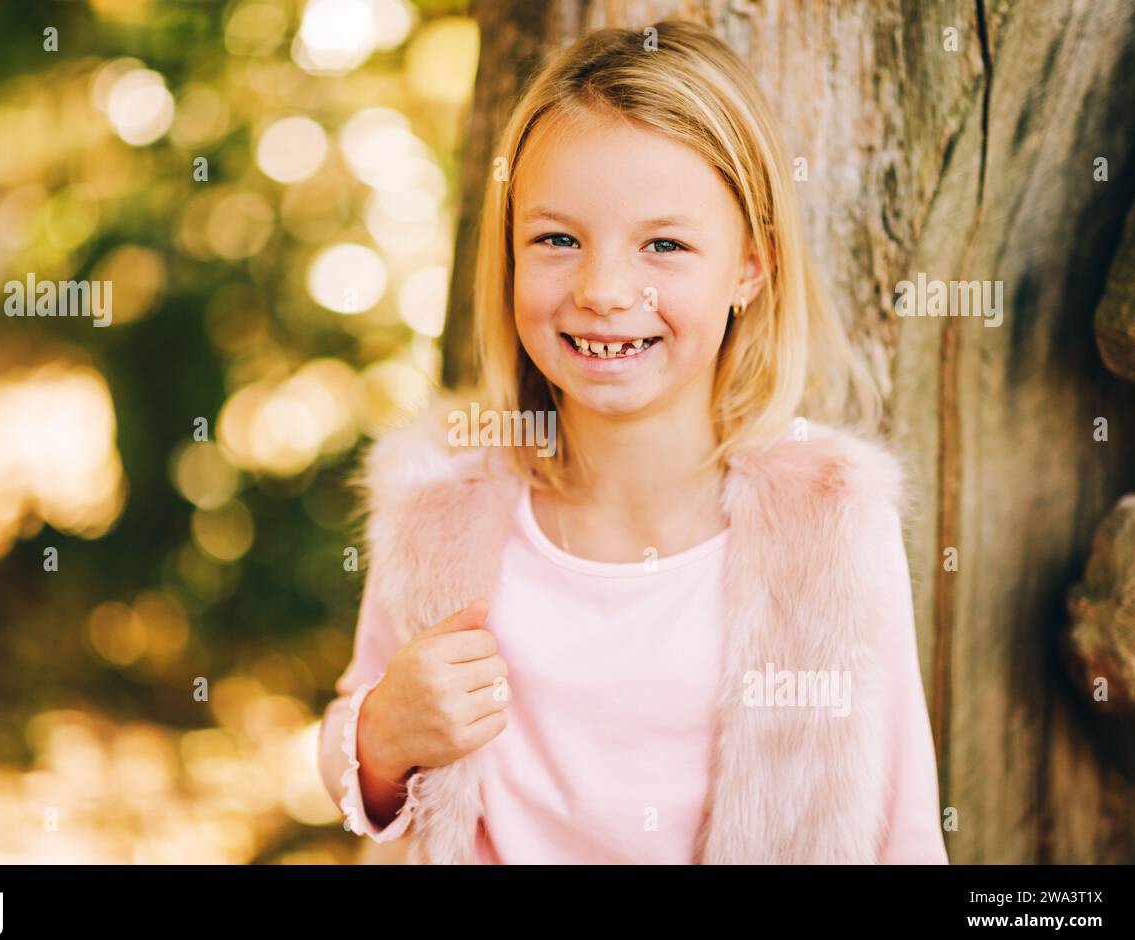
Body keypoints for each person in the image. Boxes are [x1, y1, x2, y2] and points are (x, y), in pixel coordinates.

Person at [317, 20, 949, 864]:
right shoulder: (439, 505)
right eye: (557, 239)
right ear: (508, 250)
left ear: (750, 267)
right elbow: (371, 756)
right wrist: (382, 737)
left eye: (664, 244)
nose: (604, 289)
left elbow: (903, 825)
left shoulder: (832, 523)